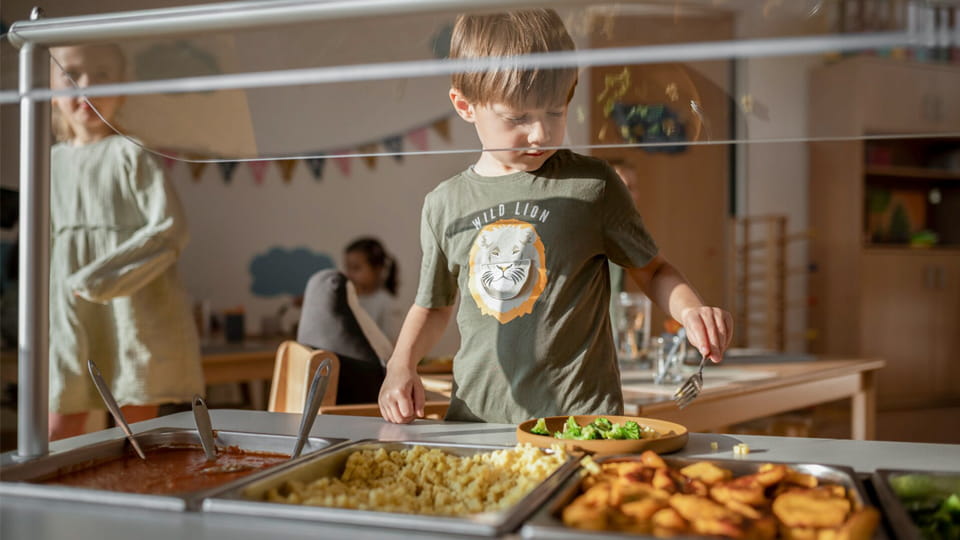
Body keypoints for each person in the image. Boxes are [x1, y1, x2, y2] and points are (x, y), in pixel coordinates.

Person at [378, 9, 733, 424]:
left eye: (555, 112)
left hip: (580, 423)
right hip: (477, 423)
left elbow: (653, 271)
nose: (540, 134)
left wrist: (691, 311)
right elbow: (434, 306)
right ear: (464, 105)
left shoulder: (593, 184)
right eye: (518, 118)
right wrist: (400, 366)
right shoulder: (444, 202)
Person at [47, 44, 204, 440]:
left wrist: (101, 276)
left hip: (132, 308)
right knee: (60, 419)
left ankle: (135, 499)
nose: (87, 87)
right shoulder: (47, 163)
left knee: (133, 428)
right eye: (72, 75)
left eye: (103, 75)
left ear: (124, 88)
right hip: (69, 312)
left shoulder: (131, 153)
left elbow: (169, 229)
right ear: (50, 86)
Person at [343, 237, 402, 342]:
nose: (349, 274)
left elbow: (391, 341)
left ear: (377, 269)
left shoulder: (387, 303)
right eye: (348, 267)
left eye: (356, 268)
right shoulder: (347, 299)